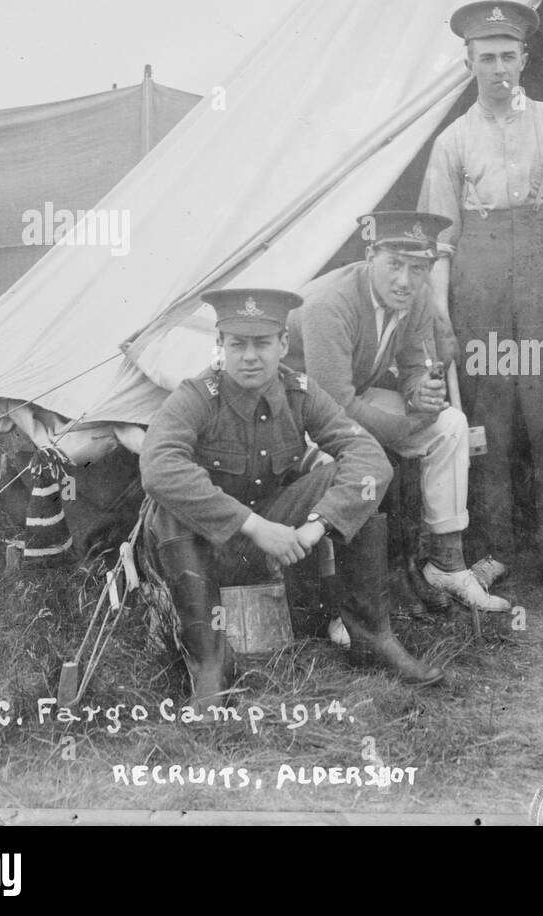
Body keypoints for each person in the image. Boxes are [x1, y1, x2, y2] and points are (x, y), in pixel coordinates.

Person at [139, 288, 445, 709]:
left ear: (283, 344)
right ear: (220, 346)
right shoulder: (196, 396)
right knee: (168, 506)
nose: (250, 356)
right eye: (238, 344)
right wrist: (256, 527)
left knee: (359, 481)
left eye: (262, 344)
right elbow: (158, 467)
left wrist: (316, 525)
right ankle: (210, 661)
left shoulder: (300, 392)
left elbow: (369, 457)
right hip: (203, 551)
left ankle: (371, 635)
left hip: (273, 545)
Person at [417, 0, 543, 598]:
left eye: (508, 56)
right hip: (482, 286)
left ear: (525, 58)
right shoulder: (452, 142)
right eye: (485, 57)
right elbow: (439, 241)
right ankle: (493, 550)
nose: (498, 68)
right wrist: (441, 313)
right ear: (467, 62)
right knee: (488, 416)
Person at [286, 211, 510, 613]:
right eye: (395, 265)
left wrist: (420, 391)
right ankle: (343, 601)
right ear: (371, 256)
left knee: (450, 424)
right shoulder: (329, 303)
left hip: (348, 398)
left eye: (418, 268)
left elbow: (413, 368)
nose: (405, 280)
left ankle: (446, 564)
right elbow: (334, 404)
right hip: (298, 413)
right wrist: (407, 426)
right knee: (351, 460)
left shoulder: (417, 295)